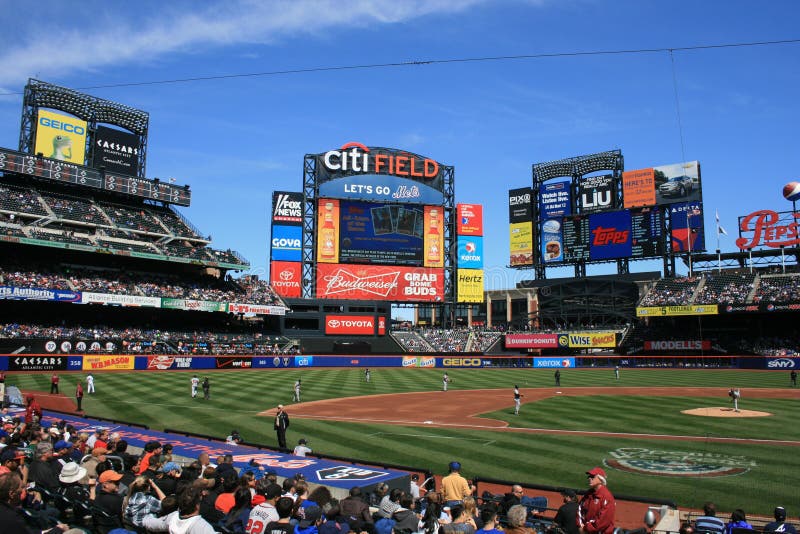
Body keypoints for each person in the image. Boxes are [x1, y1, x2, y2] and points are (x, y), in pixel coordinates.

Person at [578, 467, 615, 534]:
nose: (589, 478)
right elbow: (579, 509)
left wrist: (585, 528)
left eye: (592, 477)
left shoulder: (607, 497)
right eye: (589, 476)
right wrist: (580, 526)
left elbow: (603, 521)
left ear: (601, 479)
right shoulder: (588, 494)